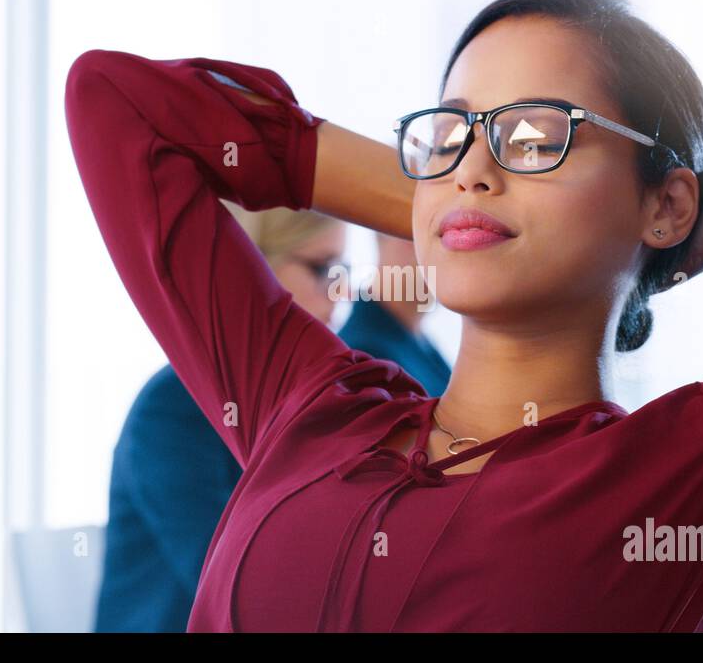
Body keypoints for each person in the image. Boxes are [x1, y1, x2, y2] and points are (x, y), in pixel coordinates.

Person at [65, 0, 703, 631]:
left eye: (535, 138)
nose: (474, 166)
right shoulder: (303, 404)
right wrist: (443, 203)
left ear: (665, 203)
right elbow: (117, 102)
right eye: (449, 135)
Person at [95, 207, 449, 632]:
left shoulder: (307, 397)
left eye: (342, 270)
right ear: (251, 271)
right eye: (322, 269)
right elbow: (235, 589)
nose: (342, 292)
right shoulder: (173, 410)